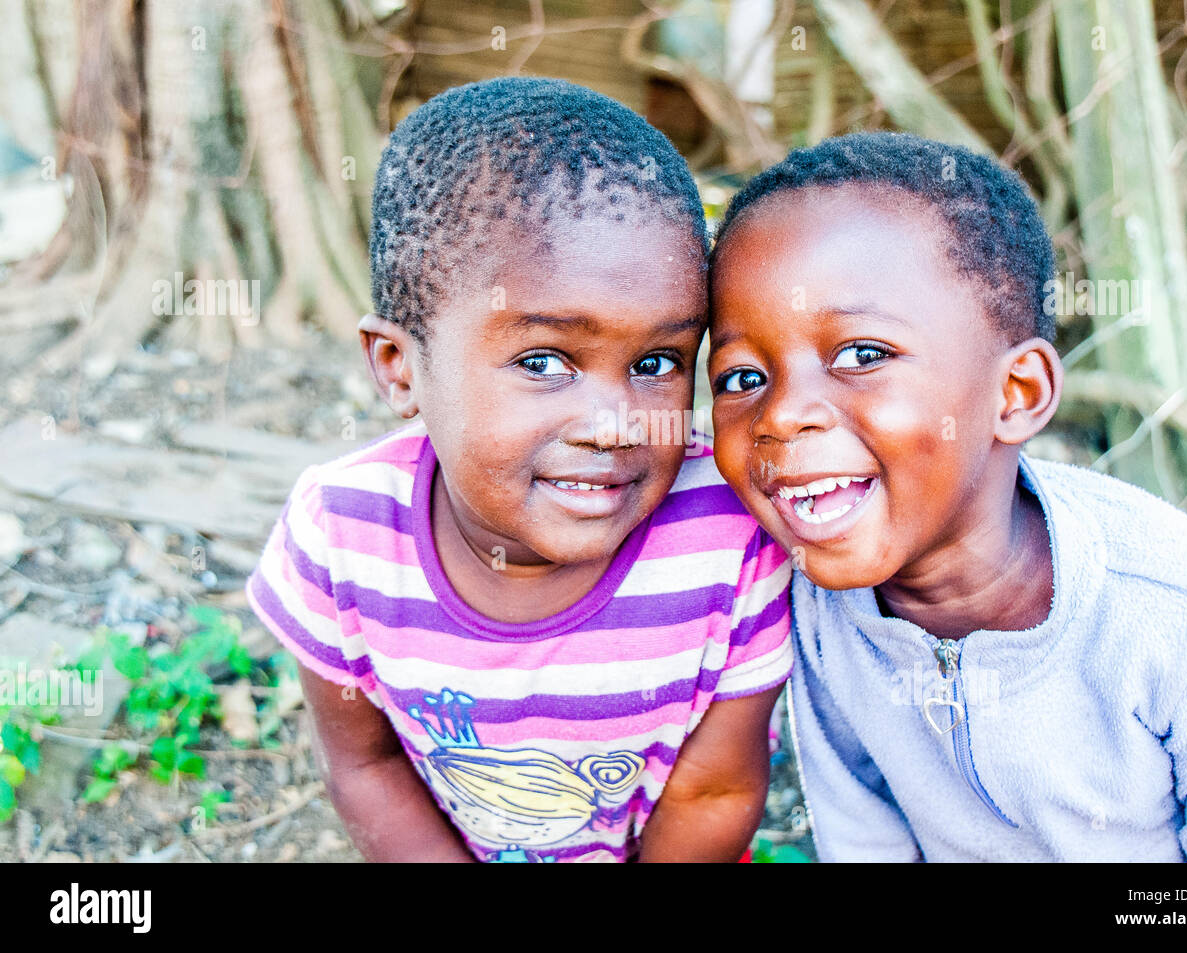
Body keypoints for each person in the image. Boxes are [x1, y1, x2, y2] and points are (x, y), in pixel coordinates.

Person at [706, 130, 1187, 861]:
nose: (782, 414)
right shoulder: (819, 610)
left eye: (862, 355)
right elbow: (864, 841)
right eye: (741, 377)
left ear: (1015, 393)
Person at [246, 78, 792, 863]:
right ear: (399, 368)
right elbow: (364, 765)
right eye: (544, 360)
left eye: (657, 361)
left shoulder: (727, 539)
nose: (615, 425)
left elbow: (716, 791)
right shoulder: (339, 537)